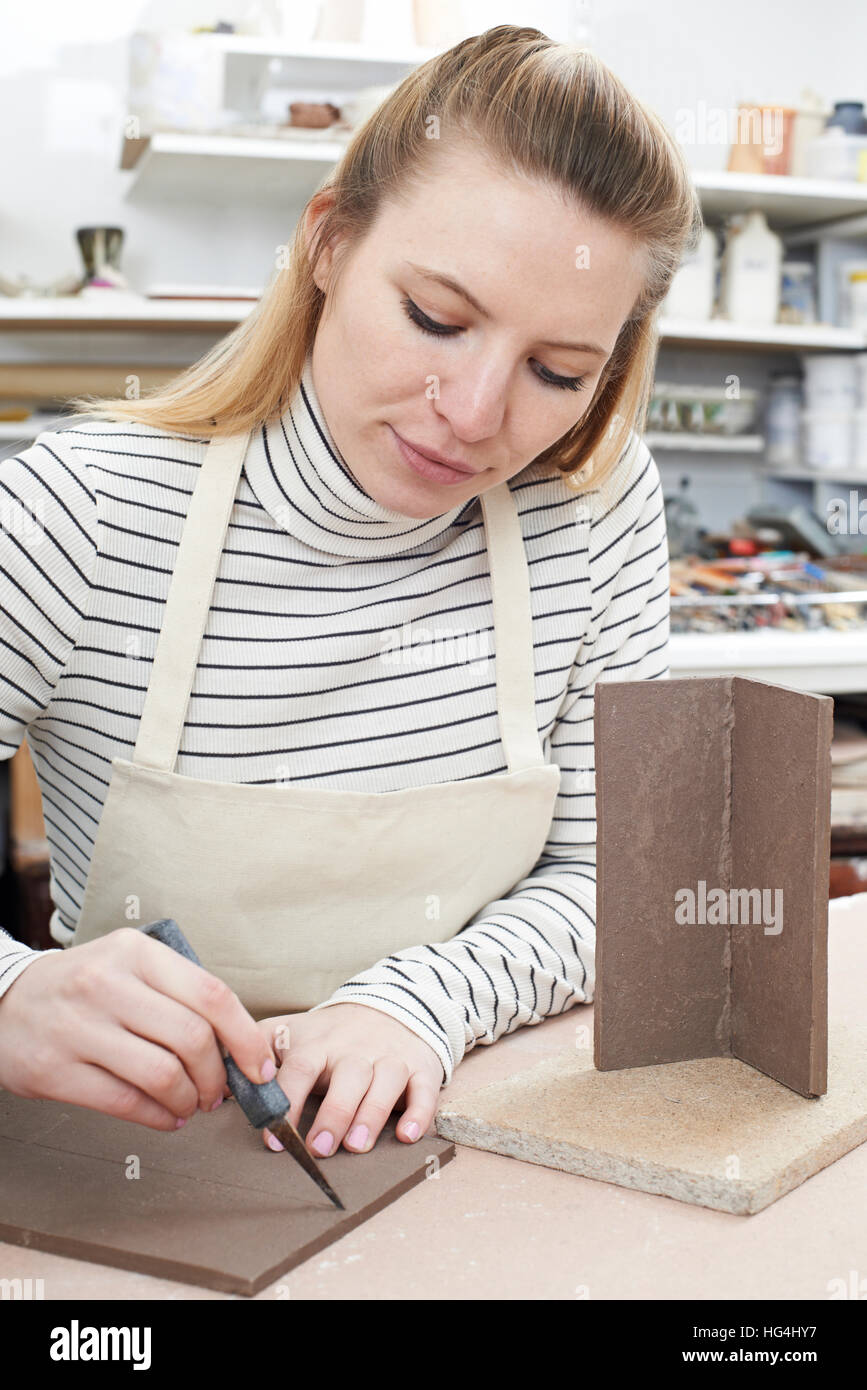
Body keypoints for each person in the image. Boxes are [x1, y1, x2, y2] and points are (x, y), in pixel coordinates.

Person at [0, 25, 701, 1161]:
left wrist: (420, 1000)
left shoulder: (596, 505)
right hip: (147, 1175)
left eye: (557, 371)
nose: (474, 413)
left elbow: (618, 881)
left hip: (482, 1141)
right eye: (435, 317)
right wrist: (12, 995)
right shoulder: (84, 512)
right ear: (327, 244)